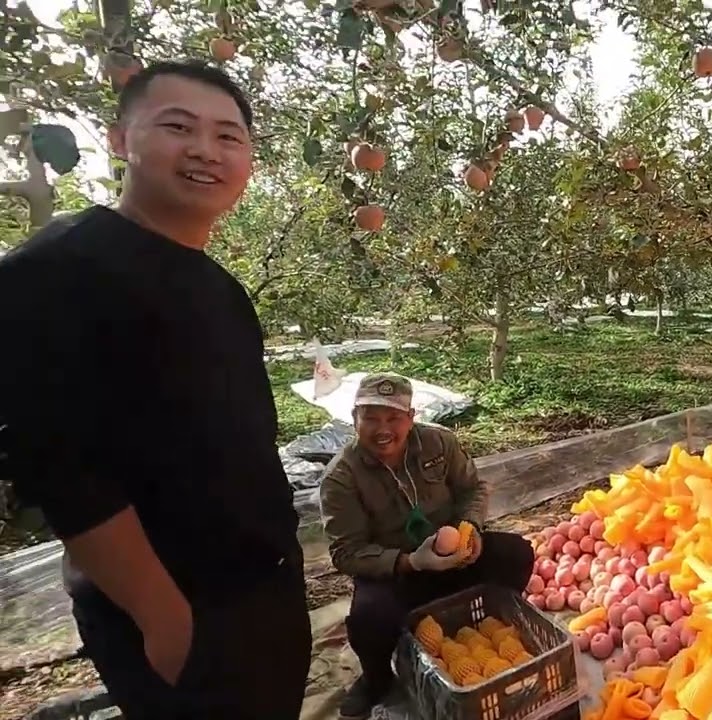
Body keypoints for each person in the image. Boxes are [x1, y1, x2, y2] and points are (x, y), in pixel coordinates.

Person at [0, 60, 311, 718]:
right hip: (179, 615)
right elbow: (61, 470)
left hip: (262, 592)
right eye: (178, 127)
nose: (205, 150)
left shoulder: (218, 288)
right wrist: (164, 618)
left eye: (229, 136)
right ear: (120, 140)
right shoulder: (57, 271)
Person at [320, 373, 535, 719]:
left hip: (456, 558)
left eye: (393, 418)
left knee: (515, 552)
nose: (382, 429)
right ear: (354, 418)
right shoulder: (341, 478)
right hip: (396, 573)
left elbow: (473, 489)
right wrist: (411, 562)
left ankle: (489, 628)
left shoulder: (438, 443)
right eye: (371, 418)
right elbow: (346, 552)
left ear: (411, 417)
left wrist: (470, 528)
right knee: (368, 618)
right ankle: (376, 679)